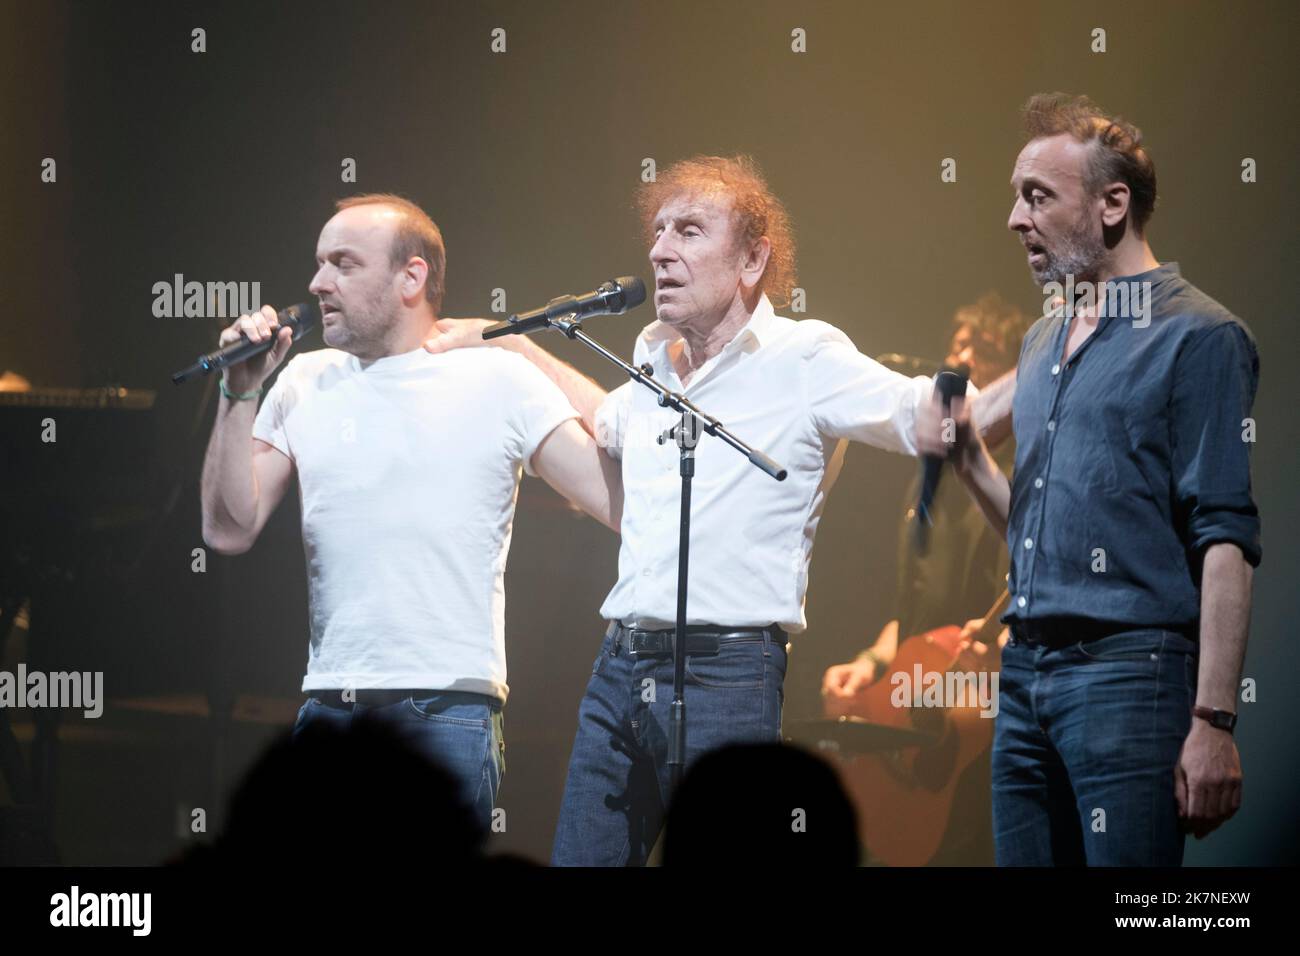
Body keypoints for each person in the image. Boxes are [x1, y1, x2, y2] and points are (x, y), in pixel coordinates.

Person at [424, 156, 968, 866]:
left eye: (688, 231)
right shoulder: (652, 366)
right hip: (620, 664)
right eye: (656, 232)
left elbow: (925, 416)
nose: (659, 250)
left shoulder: (804, 357)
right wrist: (517, 346)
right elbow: (606, 420)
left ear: (752, 258)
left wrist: (1032, 379)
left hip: (729, 674)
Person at [199, 193, 617, 830]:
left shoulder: (497, 376)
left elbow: (618, 502)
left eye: (343, 264)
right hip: (329, 708)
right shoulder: (305, 379)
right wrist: (238, 390)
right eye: (318, 264)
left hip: (447, 711)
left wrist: (529, 351)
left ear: (411, 277)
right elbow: (227, 530)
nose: (317, 283)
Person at [917, 94, 1260, 865]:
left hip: (1130, 678)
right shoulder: (1045, 337)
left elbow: (1227, 539)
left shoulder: (1199, 337)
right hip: (1026, 675)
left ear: (1112, 204)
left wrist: (1213, 720)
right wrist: (971, 459)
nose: (1014, 217)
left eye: (1038, 196)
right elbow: (1041, 534)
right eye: (1015, 195)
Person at [820, 293, 1028, 865]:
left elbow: (1034, 590)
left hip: (985, 711)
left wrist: (1002, 641)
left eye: (980, 346)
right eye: (956, 342)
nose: (960, 354)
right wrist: (869, 663)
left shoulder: (1018, 472)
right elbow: (911, 611)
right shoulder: (926, 482)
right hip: (920, 706)